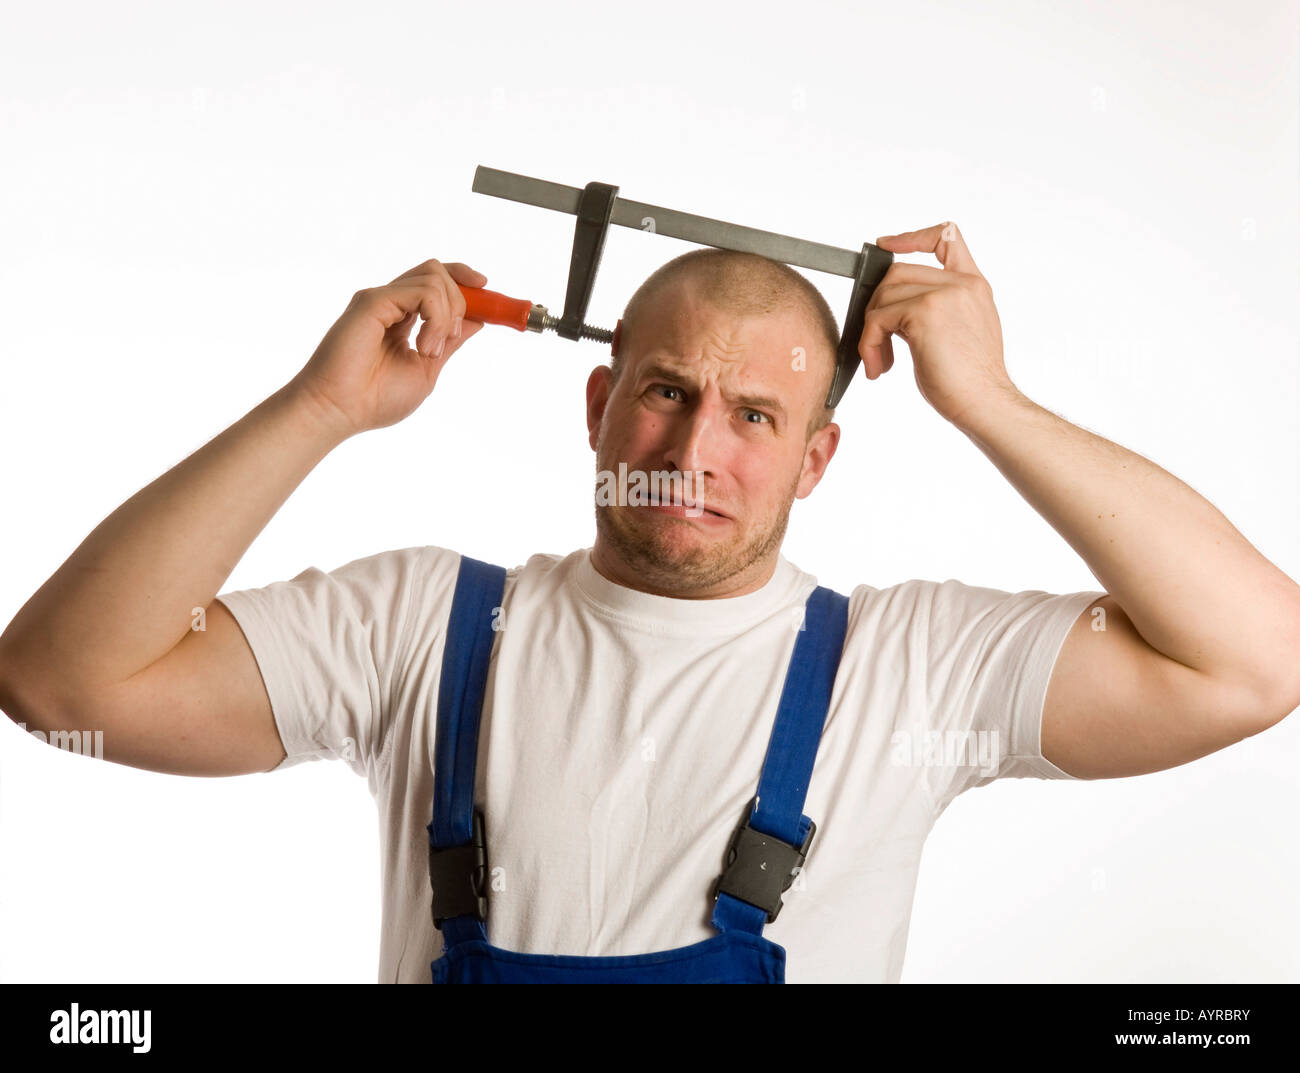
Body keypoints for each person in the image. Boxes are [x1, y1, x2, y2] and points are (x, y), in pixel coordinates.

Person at [2, 223, 1297, 983]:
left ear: (816, 458)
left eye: (756, 414)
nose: (693, 452)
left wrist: (993, 405)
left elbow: (1257, 659)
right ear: (598, 406)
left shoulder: (912, 670)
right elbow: (64, 685)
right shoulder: (417, 629)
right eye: (667, 389)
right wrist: (321, 408)